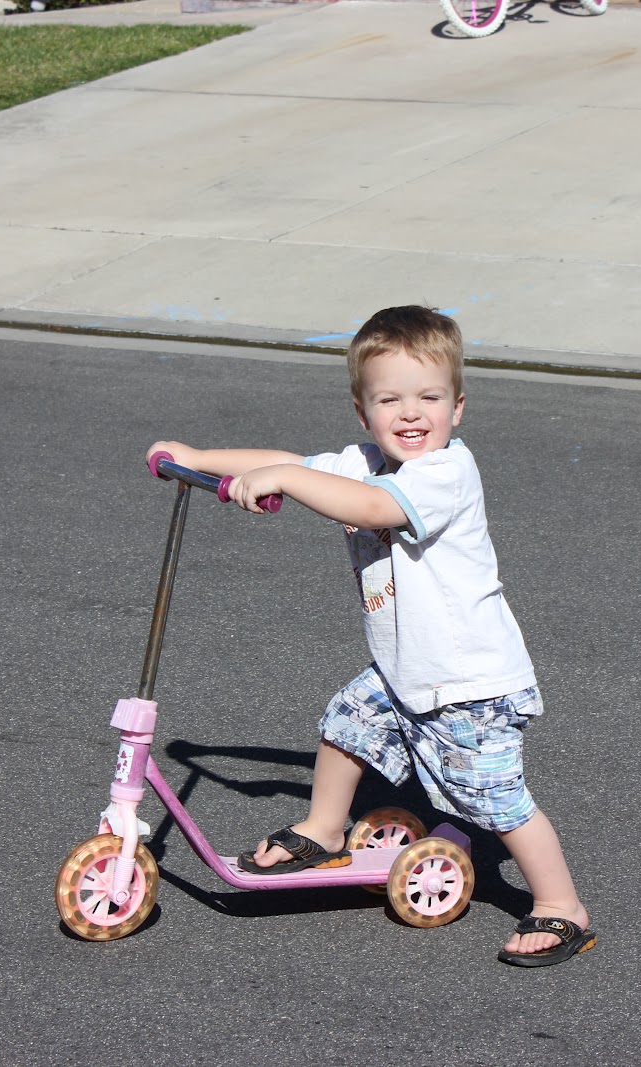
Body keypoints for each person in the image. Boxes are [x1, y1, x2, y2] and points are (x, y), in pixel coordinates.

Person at [145, 305, 595, 967]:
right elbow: (289, 460)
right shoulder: (366, 459)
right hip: (407, 668)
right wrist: (196, 457)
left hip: (469, 682)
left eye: (430, 398)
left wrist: (289, 482)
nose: (412, 414)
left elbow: (372, 509)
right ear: (364, 412)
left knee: (496, 800)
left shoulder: (444, 474)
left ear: (458, 406)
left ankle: (561, 903)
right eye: (390, 399)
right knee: (347, 721)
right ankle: (325, 829)